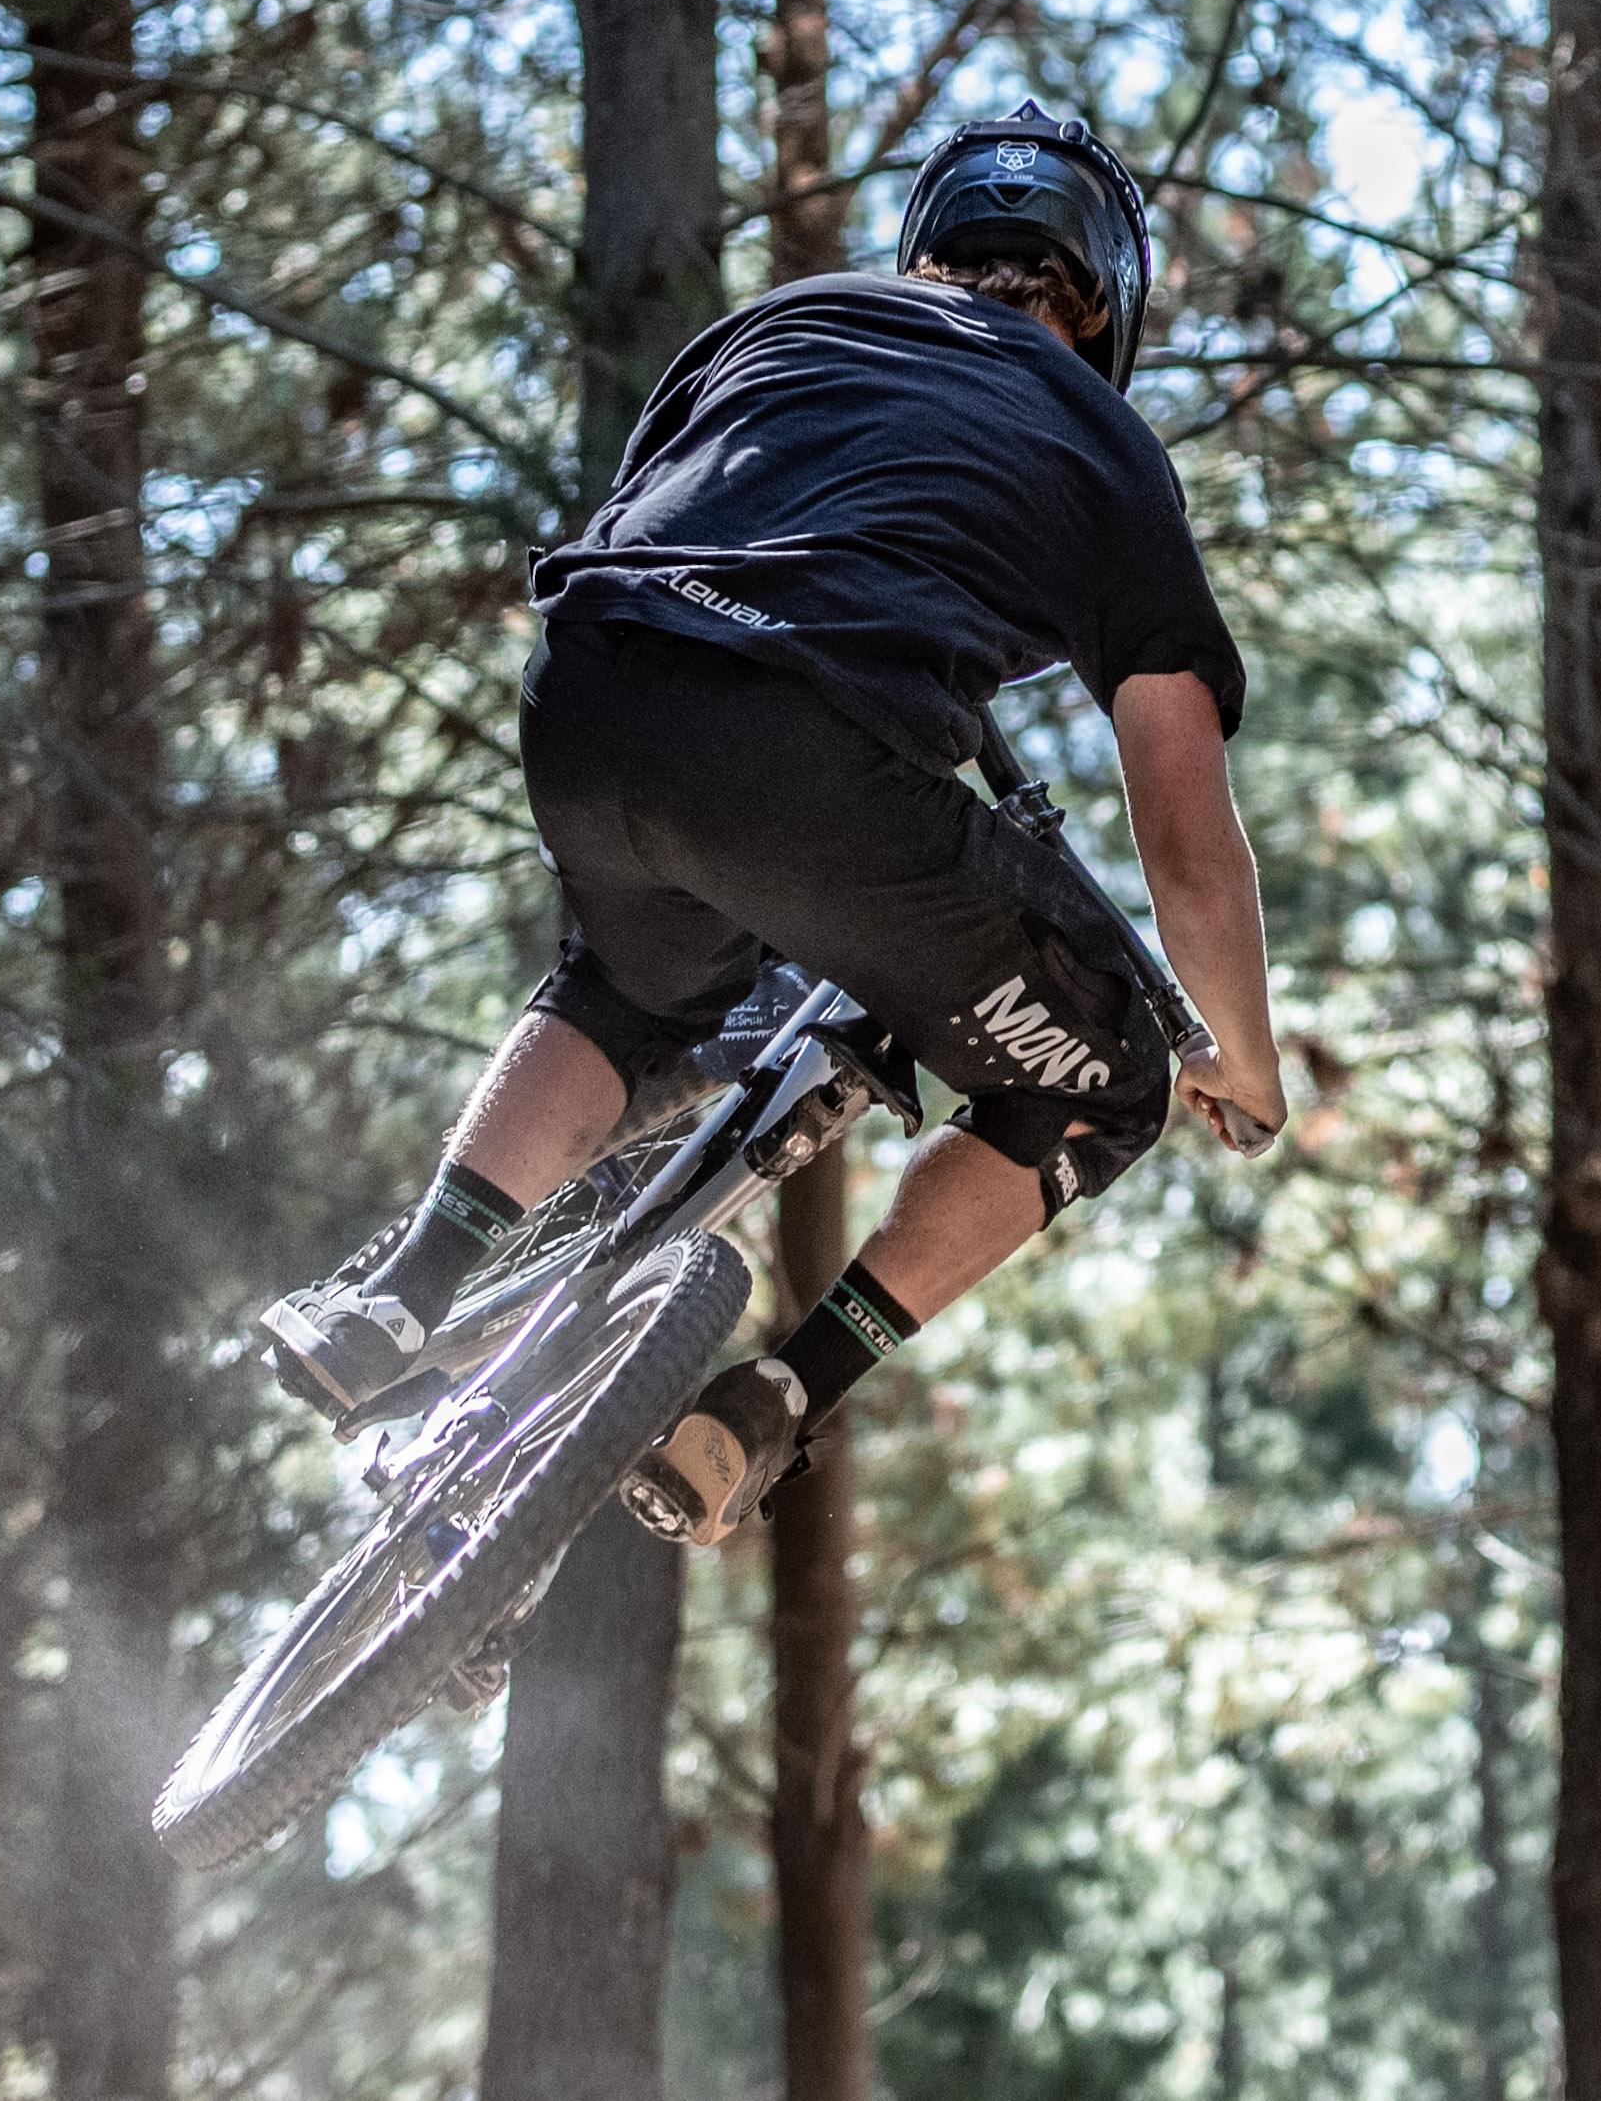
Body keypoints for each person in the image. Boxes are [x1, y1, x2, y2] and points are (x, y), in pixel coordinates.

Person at [258, 102, 1289, 1547]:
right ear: (1101, 302)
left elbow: (672, 512)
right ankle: (770, 1407)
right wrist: (1241, 1059)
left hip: (592, 689)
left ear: (927, 249)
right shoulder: (1100, 442)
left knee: (629, 987)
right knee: (1101, 1078)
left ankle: (402, 1290)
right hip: (812, 756)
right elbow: (1185, 843)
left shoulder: (781, 323)